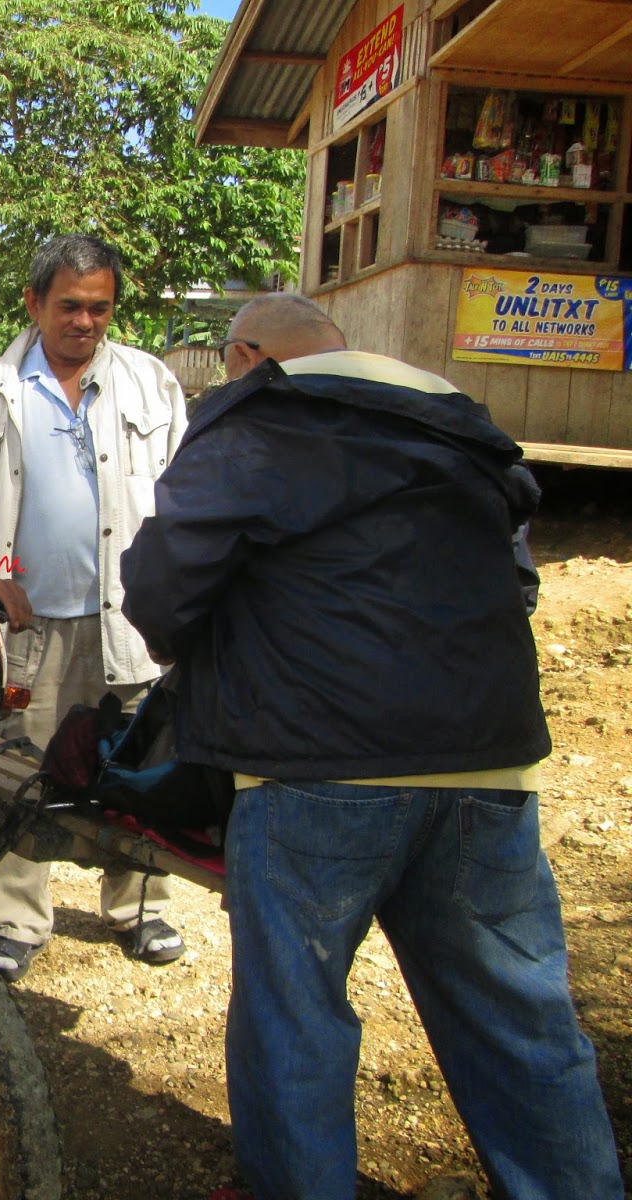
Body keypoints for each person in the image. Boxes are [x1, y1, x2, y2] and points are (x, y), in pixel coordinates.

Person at [120, 293, 622, 1200]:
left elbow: (163, 589)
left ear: (246, 358)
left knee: (297, 1024)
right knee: (523, 1026)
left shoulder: (258, 422)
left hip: (315, 771)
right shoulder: (466, 434)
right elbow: (517, 585)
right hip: (487, 765)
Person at [0, 233, 189, 979]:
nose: (85, 322)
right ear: (34, 302)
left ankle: (141, 906)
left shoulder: (151, 383)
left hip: (130, 623)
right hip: (29, 626)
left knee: (139, 763)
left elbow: (185, 493)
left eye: (100, 308)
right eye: (69, 306)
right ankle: (15, 917)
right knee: (18, 769)